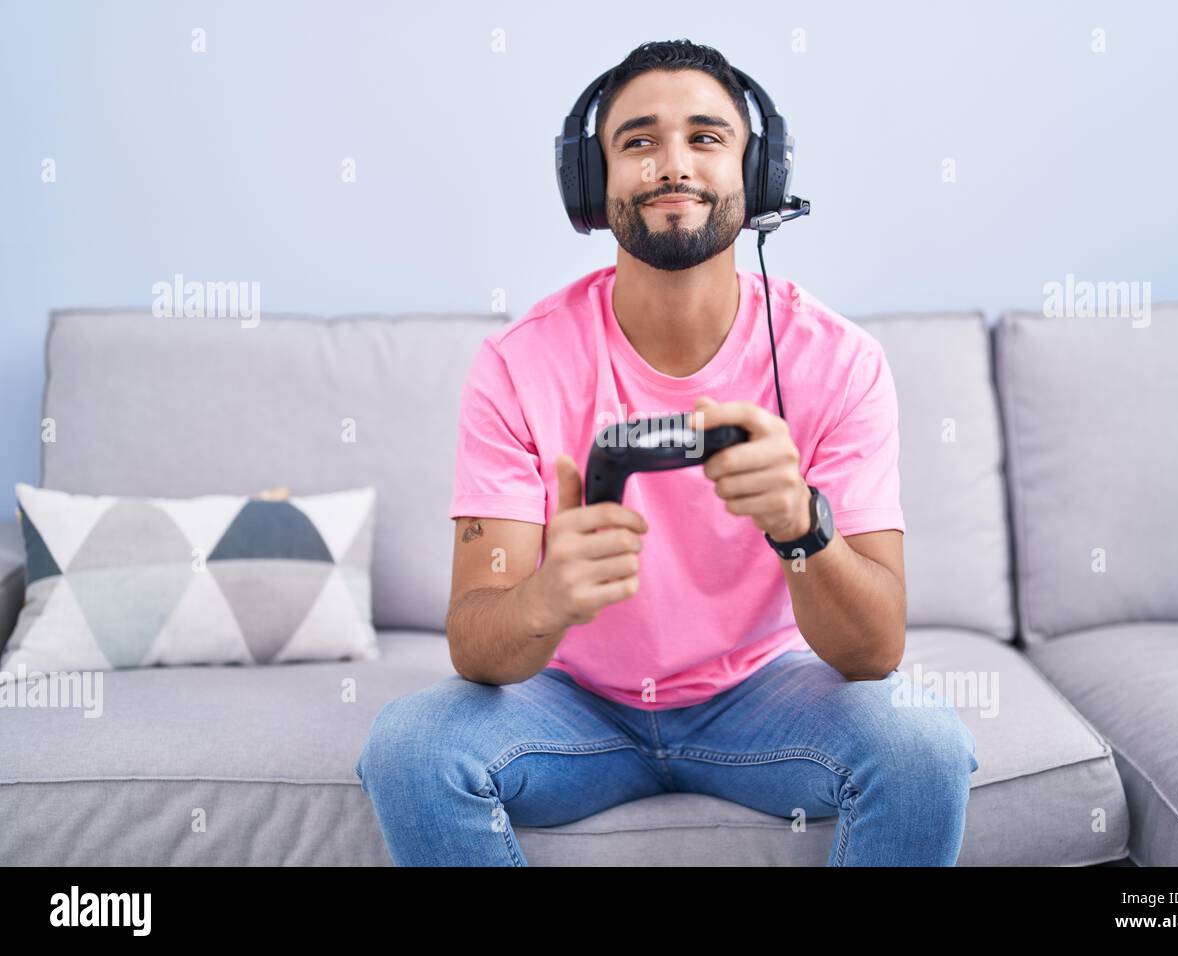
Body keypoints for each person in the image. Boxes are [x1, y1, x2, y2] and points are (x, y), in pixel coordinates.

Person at [355, 38, 978, 866]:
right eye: (638, 141)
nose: (671, 165)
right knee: (409, 747)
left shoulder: (839, 361)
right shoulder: (517, 365)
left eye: (707, 138)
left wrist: (801, 526)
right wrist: (547, 597)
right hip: (573, 705)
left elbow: (875, 652)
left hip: (763, 697)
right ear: (592, 183)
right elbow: (476, 645)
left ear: (758, 174)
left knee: (923, 744)